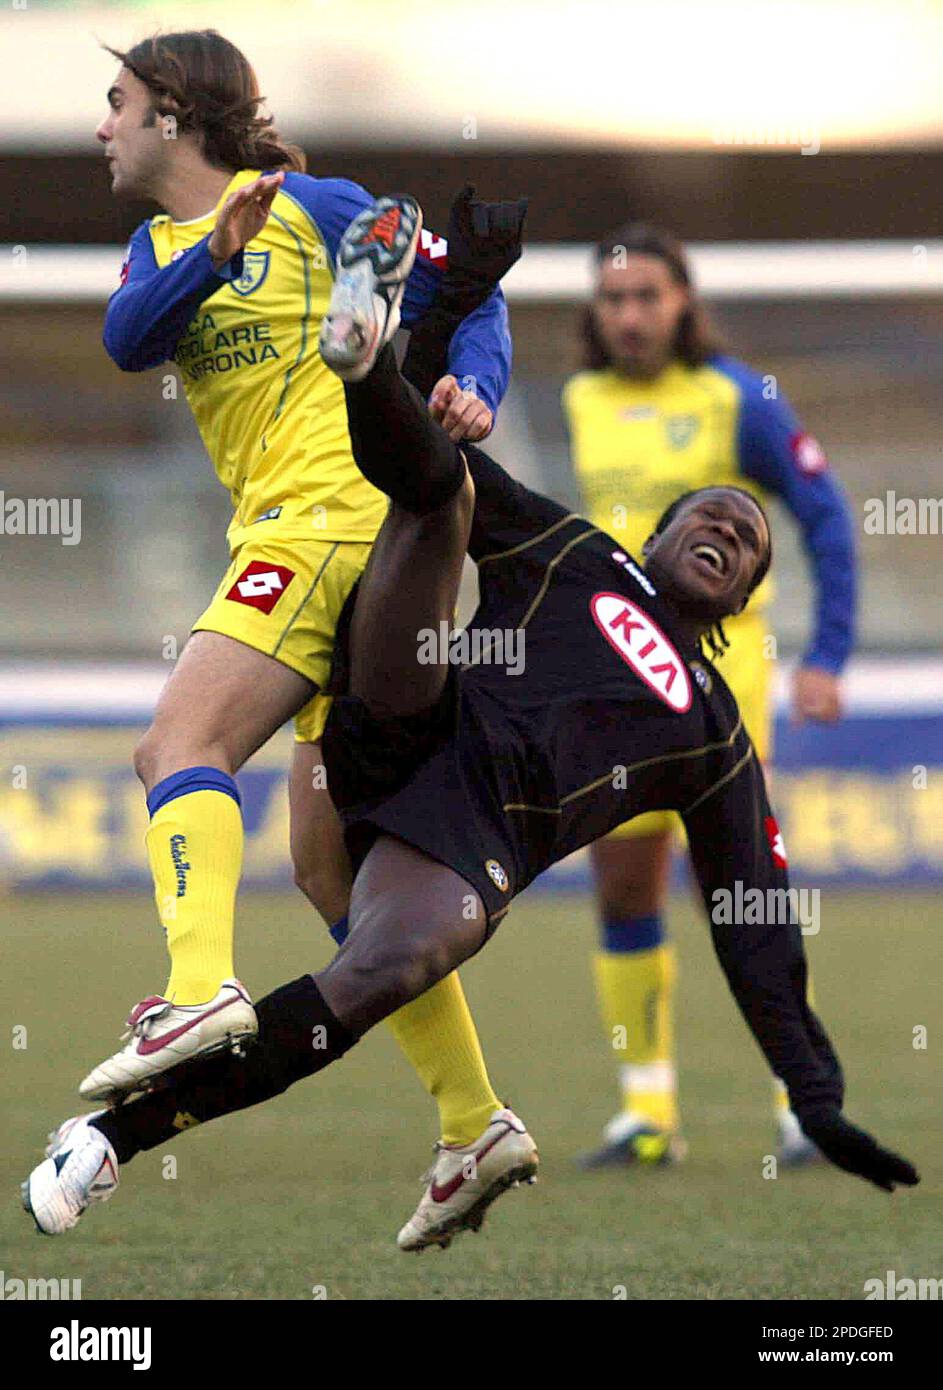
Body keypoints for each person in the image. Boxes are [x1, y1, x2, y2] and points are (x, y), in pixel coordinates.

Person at [24, 197, 917, 1252]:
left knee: (371, 973)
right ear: (663, 532)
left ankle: (107, 1140)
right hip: (406, 709)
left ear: (743, 596)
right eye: (708, 515)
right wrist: (452, 300)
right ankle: (358, 355)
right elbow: (422, 439)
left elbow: (755, 920)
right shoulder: (582, 553)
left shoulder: (714, 733)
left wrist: (814, 1097)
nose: (724, 529)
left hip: (465, 844)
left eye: (745, 539)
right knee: (442, 494)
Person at [86, 32, 530, 1217]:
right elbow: (130, 338)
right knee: (329, 868)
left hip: (329, 522)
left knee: (176, 747)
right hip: (292, 533)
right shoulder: (160, 248)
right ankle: (471, 1122)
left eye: (118, 103)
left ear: (174, 114)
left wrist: (473, 383)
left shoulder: (316, 205)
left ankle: (196, 989)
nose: (102, 126)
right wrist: (213, 256)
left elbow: (459, 288)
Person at [562, 225, 856, 1167]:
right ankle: (647, 1115)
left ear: (683, 301)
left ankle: (798, 1103)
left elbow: (824, 515)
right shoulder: (581, 398)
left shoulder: (737, 398)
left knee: (742, 894)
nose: (631, 315)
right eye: (614, 299)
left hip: (721, 686)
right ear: (593, 313)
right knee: (621, 886)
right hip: (611, 687)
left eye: (648, 296)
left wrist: (828, 655)